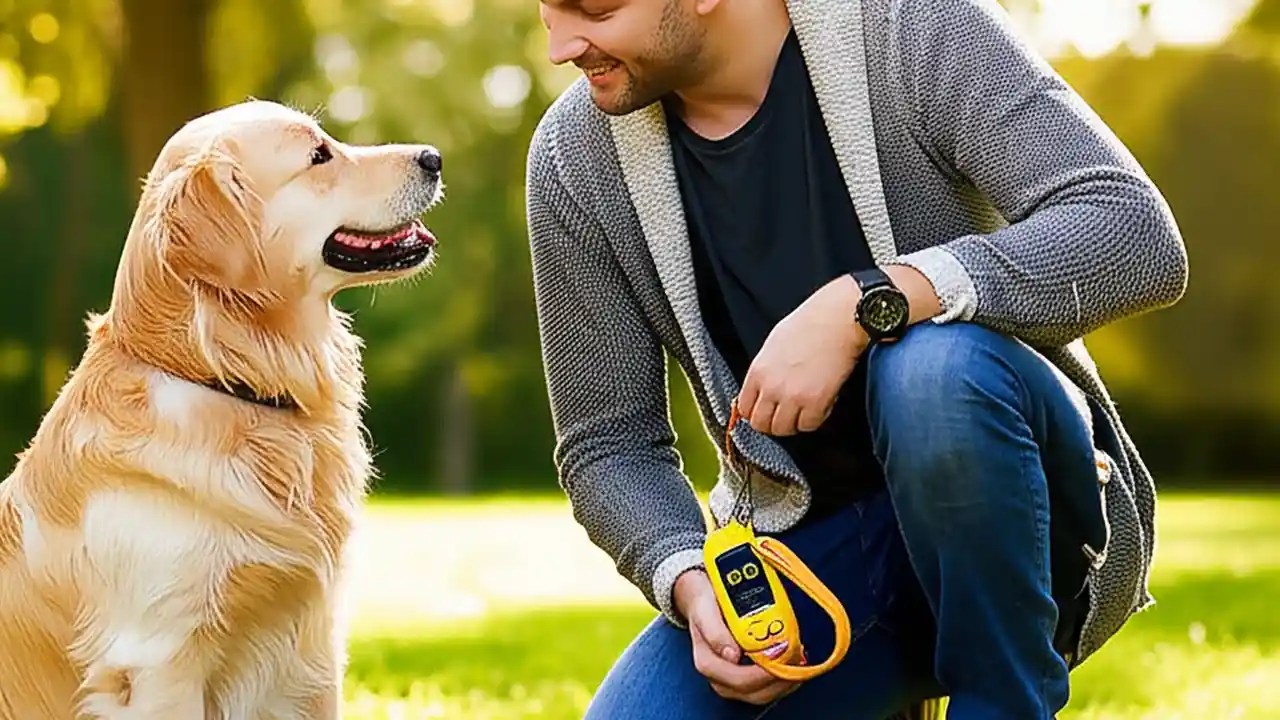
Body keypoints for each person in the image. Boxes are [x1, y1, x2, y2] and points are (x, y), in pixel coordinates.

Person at [524, 0, 1187, 717]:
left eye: (595, 8)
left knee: (931, 370)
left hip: (1030, 511)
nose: (561, 45)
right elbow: (608, 444)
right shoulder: (573, 158)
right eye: (548, 8)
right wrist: (684, 573)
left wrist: (869, 302)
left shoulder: (912, 25)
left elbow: (1134, 232)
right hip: (822, 556)